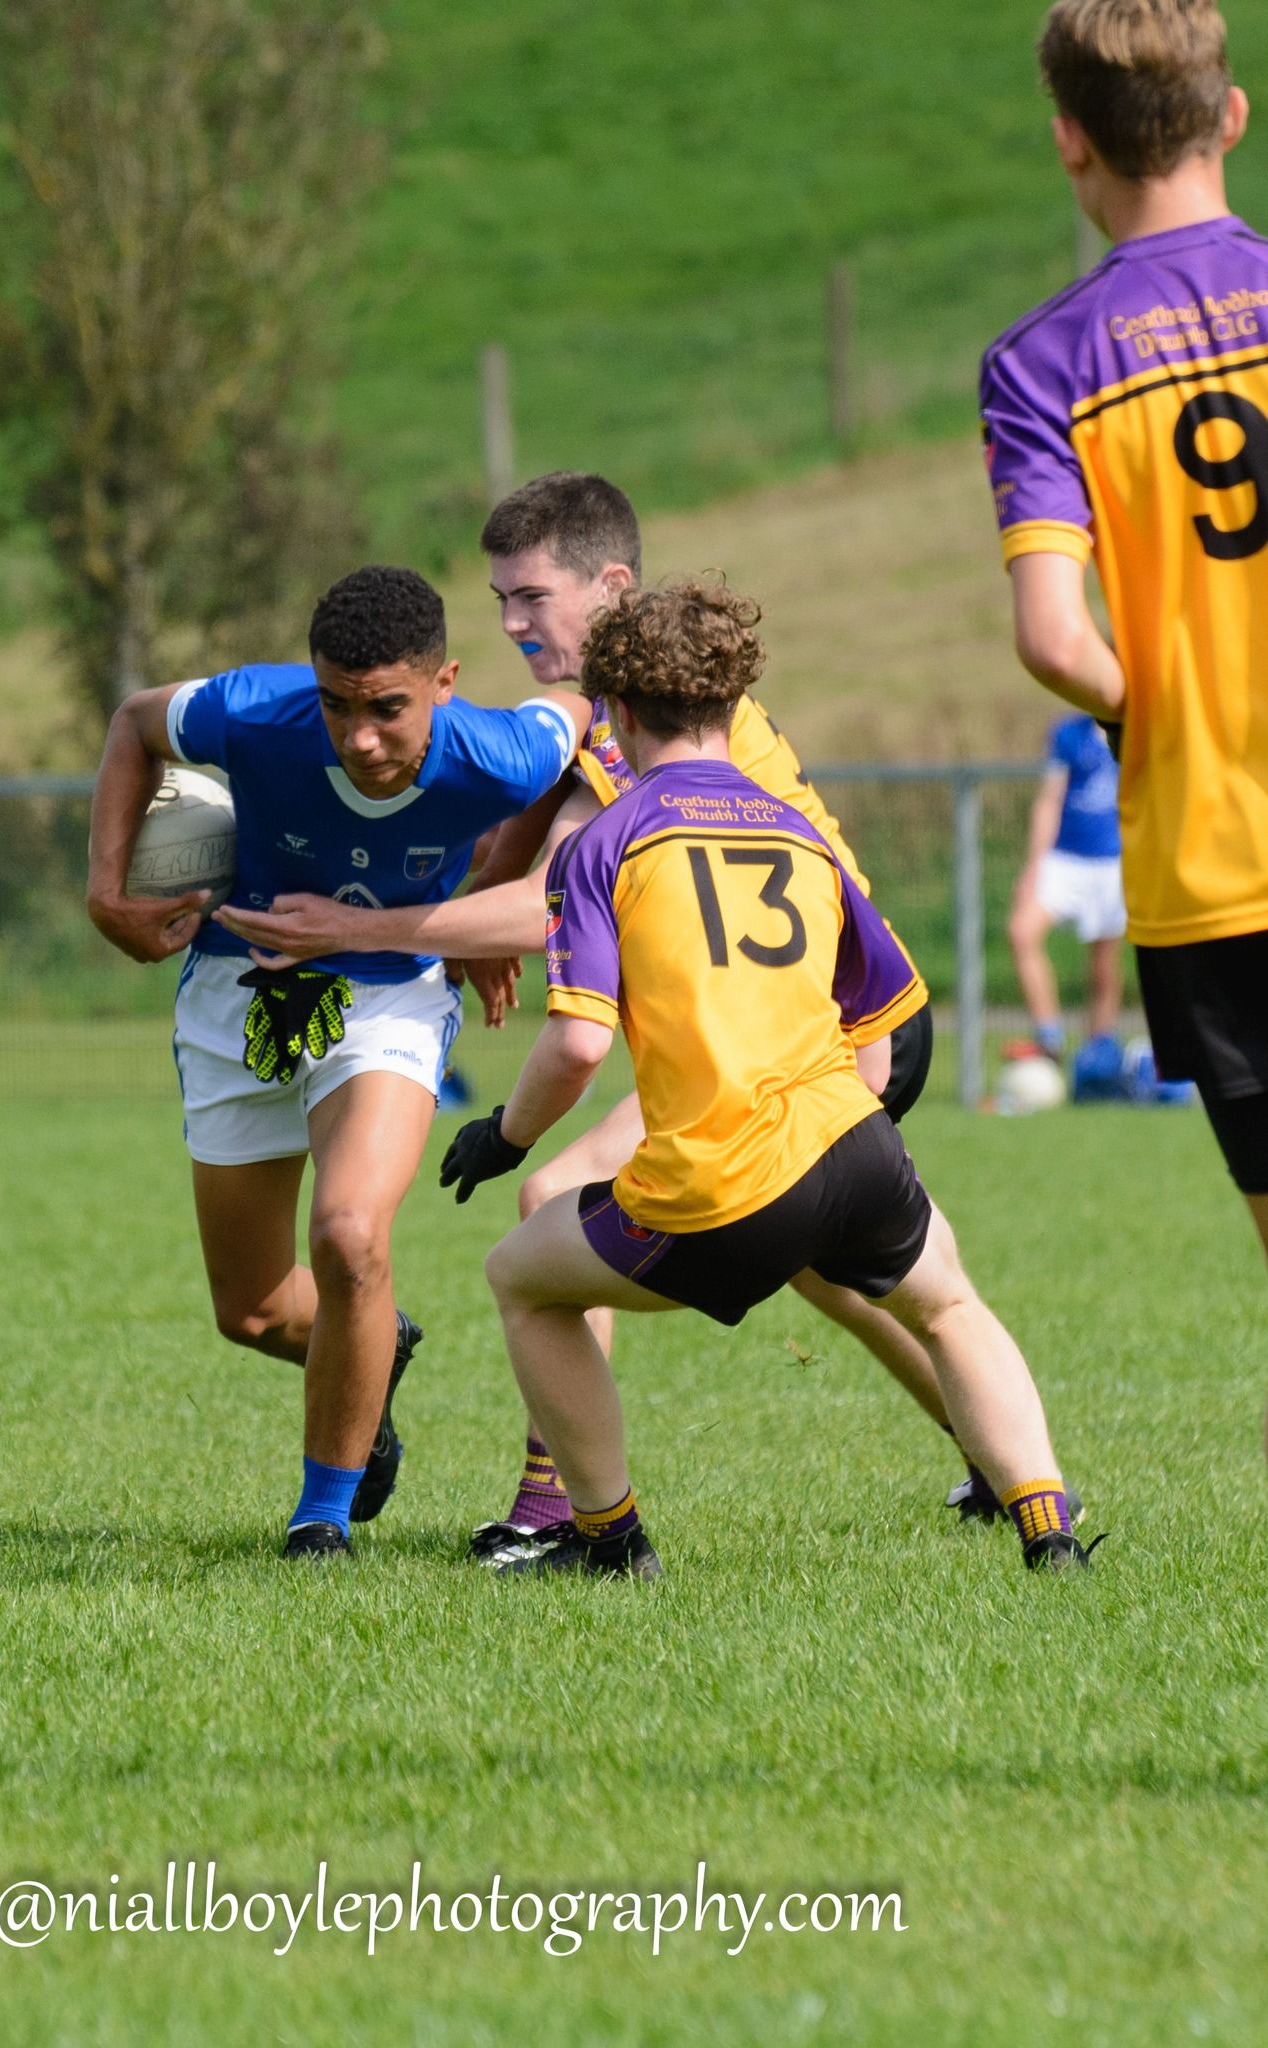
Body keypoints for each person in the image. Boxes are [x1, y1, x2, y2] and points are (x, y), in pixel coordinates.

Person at [217, 475, 1029, 1556]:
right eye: (499, 598)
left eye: (531, 596)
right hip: (803, 1015)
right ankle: (1000, 1465)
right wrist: (479, 934)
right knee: (827, 1265)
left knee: (556, 1189)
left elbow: (547, 891)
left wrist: (371, 929)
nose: (511, 622)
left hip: (829, 1019)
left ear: (611, 586)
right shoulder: (618, 703)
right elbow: (530, 847)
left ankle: (564, 1511)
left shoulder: (647, 713)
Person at [437, 581, 1092, 1576]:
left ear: (612, 707)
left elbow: (575, 1045)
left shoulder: (610, 839)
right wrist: (854, 1140)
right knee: (950, 1303)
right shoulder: (801, 831)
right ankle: (1051, 1531)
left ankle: (609, 1539)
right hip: (854, 1143)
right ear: (730, 698)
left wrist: (506, 1137)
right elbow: (883, 1016)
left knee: (521, 1275)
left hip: (715, 1181)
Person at [87, 566, 585, 1557]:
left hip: (388, 991)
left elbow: (585, 710)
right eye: (338, 706)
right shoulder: (259, 712)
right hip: (238, 989)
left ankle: (321, 1520)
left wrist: (488, 907)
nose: (360, 737)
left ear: (444, 682)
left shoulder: (500, 754)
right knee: (257, 1310)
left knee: (352, 1234)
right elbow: (137, 723)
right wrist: (109, 889)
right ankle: (372, 1345)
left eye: (389, 710)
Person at [980, 1, 1268, 1316]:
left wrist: (1162, 717)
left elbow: (1053, 639)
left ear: (1067, 144)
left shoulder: (1043, 362)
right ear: (1228, 115)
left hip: (1210, 865)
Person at [1008, 712, 1125, 1062]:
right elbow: (1049, 800)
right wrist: (1033, 867)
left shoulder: (1135, 727)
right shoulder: (1069, 734)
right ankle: (1049, 1037)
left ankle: (1098, 1051)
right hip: (1064, 859)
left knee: (1104, 963)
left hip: (1113, 862)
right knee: (1022, 932)